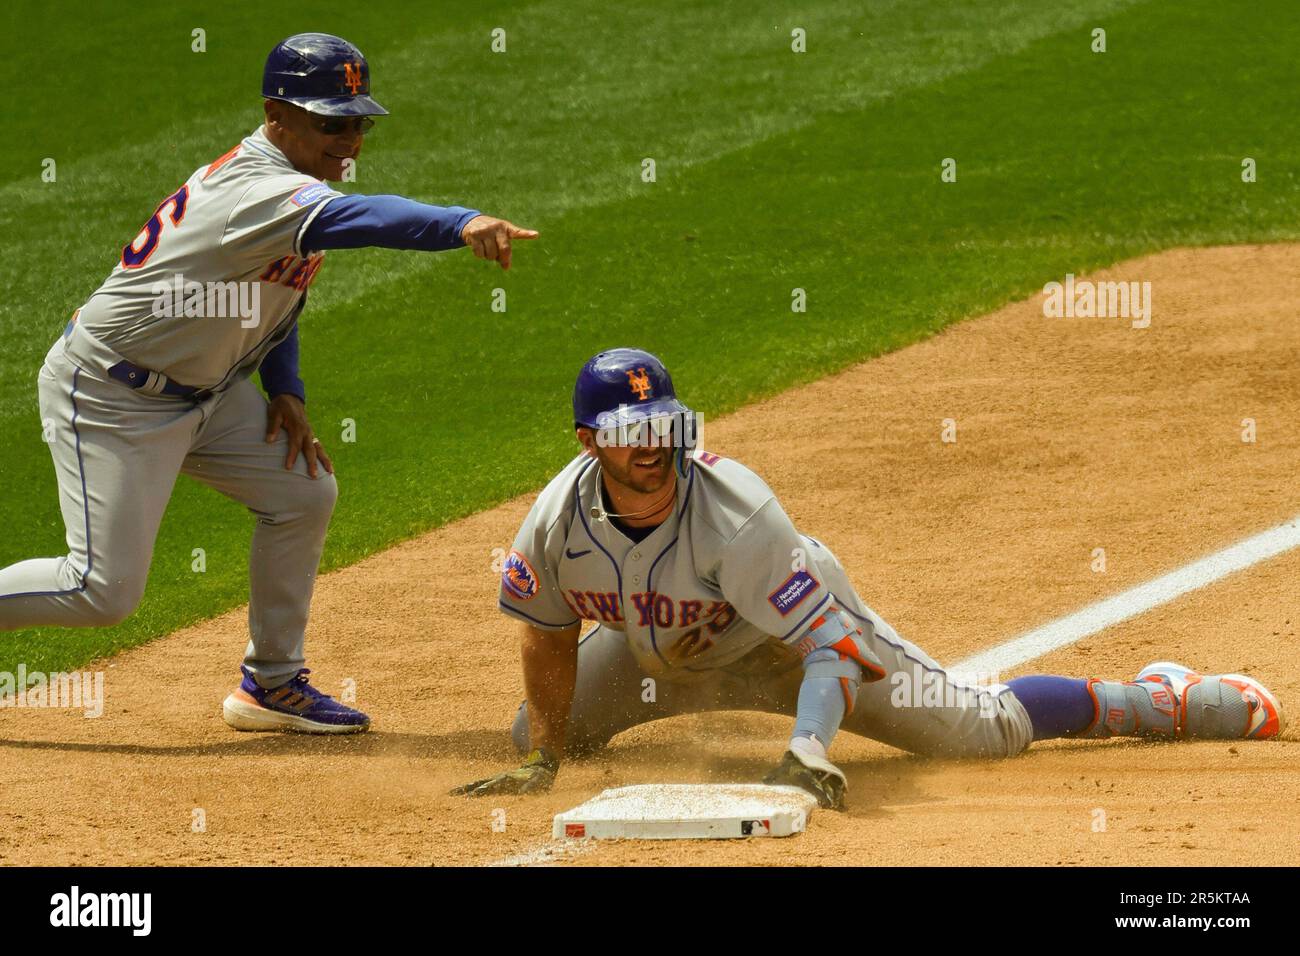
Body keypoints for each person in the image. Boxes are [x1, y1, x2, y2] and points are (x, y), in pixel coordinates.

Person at [453, 348, 1284, 808]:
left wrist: (808, 751)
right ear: (588, 441)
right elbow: (548, 630)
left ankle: (1155, 698)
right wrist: (547, 763)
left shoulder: (736, 514)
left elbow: (833, 644)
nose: (652, 445)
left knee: (979, 735)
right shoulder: (556, 523)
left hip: (789, 647)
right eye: (630, 431)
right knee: (537, 737)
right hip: (659, 658)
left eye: (664, 426)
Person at [0, 33, 537, 734]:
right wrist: (462, 223)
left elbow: (272, 298)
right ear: (276, 114)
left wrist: (287, 391)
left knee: (300, 492)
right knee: (102, 591)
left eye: (357, 124)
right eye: (330, 123)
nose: (348, 140)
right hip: (113, 397)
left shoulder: (292, 190)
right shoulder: (255, 192)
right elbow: (371, 219)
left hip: (209, 393)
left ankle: (271, 684)